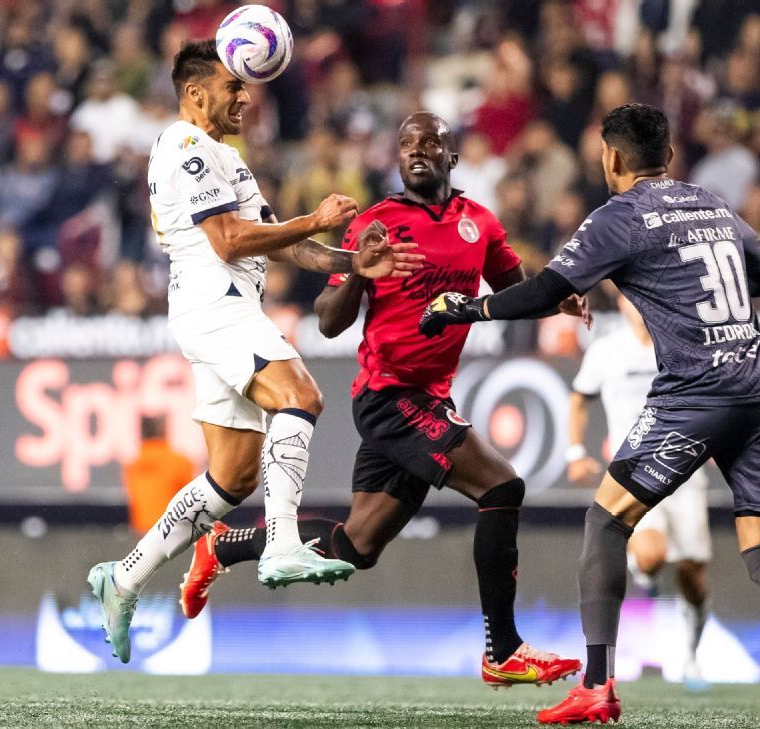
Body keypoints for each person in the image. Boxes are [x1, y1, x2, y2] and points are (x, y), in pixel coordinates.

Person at [419, 103, 760, 728]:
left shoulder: (620, 216)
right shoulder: (711, 203)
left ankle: (597, 686)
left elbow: (545, 292)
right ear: (669, 156)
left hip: (695, 394)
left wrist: (464, 309)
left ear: (612, 158)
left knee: (606, 522)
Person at [177, 111, 583, 688]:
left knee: (356, 545)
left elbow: (516, 294)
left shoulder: (480, 223)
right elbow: (329, 321)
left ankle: (224, 546)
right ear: (397, 157)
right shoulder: (374, 224)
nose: (417, 150)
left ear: (452, 157)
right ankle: (504, 650)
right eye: (407, 143)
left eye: (430, 142)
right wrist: (360, 274)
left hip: (427, 395)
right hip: (388, 396)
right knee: (501, 486)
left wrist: (558, 298)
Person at [86, 39, 423, 665]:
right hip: (216, 305)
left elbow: (279, 244)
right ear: (195, 93)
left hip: (223, 309)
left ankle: (125, 577)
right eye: (232, 86)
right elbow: (228, 240)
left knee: (232, 477)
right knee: (300, 395)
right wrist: (316, 218)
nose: (244, 95)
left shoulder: (226, 158)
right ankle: (281, 543)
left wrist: (354, 261)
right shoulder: (185, 146)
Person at [567, 293, 712, 689]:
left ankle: (691, 654)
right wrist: (575, 452)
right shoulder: (607, 350)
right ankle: (644, 569)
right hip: (635, 472)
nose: (640, 304)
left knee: (692, 576)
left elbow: (710, 397)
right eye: (631, 298)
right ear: (621, 303)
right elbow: (579, 398)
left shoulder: (684, 342)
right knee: (651, 555)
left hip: (686, 468)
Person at [123, 417, 196, 534]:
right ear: (164, 432)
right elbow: (192, 498)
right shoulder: (179, 462)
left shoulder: (133, 464)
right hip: (173, 530)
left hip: (142, 531)